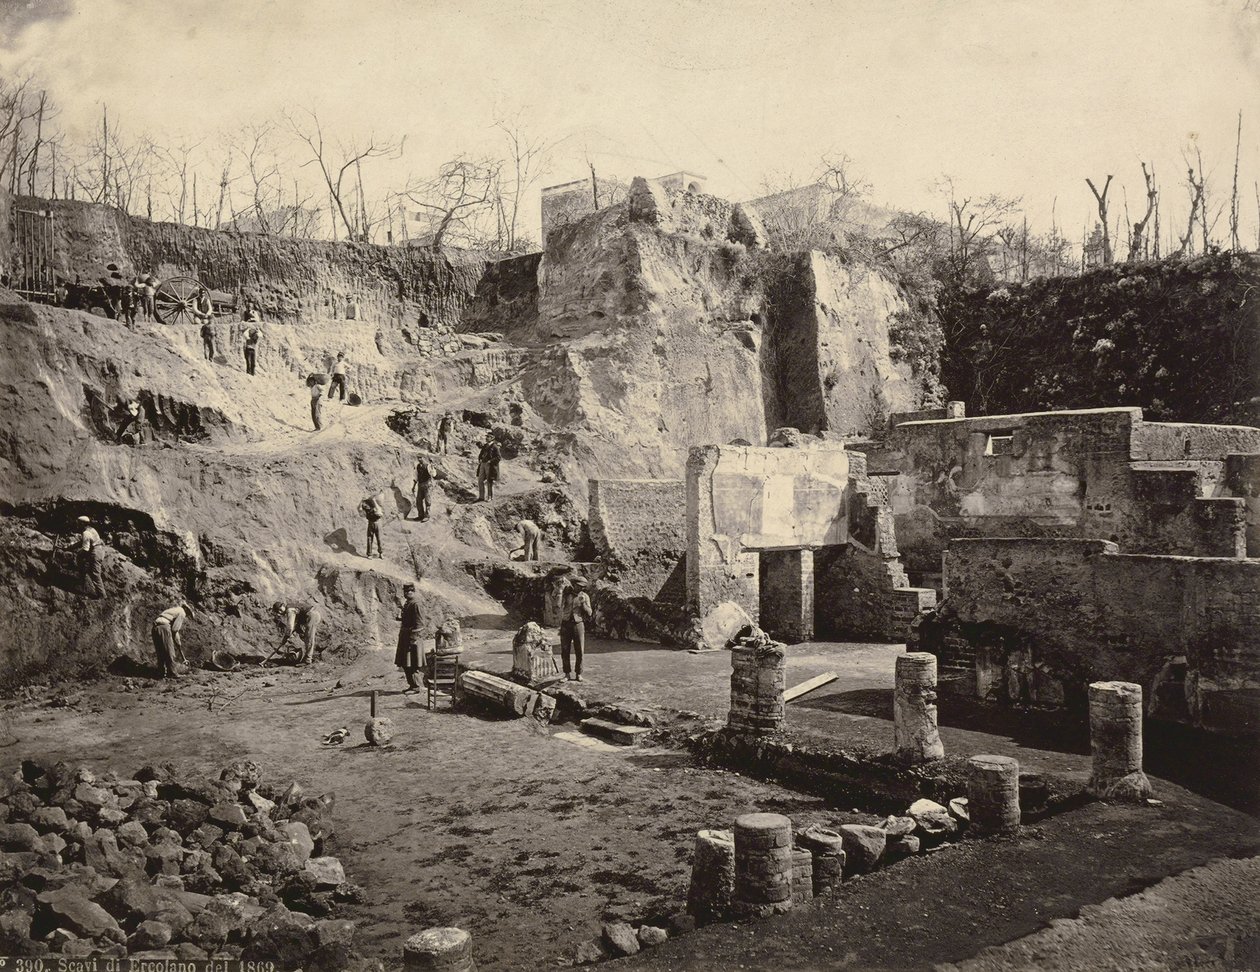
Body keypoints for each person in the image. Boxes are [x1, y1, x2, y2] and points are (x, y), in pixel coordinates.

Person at [267, 598, 323, 666]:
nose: (280, 612)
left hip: (312, 615)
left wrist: (286, 637)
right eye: (279, 611)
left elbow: (290, 626)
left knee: (309, 637)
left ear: (283, 606)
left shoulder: (289, 610)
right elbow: (295, 624)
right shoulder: (291, 608)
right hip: (309, 616)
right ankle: (308, 655)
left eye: (280, 610)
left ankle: (308, 660)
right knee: (303, 635)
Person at [559, 577, 592, 682]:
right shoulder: (566, 593)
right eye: (579, 586)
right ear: (574, 584)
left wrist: (583, 604)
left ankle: (578, 673)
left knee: (580, 650)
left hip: (578, 624)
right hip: (565, 624)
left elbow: (590, 613)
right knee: (565, 650)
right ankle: (567, 674)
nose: (581, 588)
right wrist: (563, 593)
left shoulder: (584, 596)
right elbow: (558, 604)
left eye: (583, 587)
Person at [395, 583, 423, 692]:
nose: (406, 594)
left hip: (411, 639)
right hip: (405, 637)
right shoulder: (408, 603)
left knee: (412, 663)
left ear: (413, 591)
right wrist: (401, 619)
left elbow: (420, 623)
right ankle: (412, 685)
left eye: (408, 592)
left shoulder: (415, 604)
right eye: (405, 592)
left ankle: (416, 686)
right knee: (406, 663)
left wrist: (413, 639)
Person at [151, 602, 192, 678]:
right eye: (188, 613)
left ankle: (161, 673)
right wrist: (178, 643)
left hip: (155, 628)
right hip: (164, 627)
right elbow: (175, 629)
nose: (187, 615)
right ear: (186, 609)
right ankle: (172, 673)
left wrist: (178, 642)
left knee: (161, 651)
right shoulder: (182, 612)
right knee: (170, 651)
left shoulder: (174, 610)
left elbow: (174, 630)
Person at [76, 516, 105, 598]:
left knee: (95, 573)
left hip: (95, 552)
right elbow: (82, 542)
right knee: (86, 568)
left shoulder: (86, 533)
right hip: (100, 550)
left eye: (78, 523)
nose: (77, 525)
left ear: (82, 523)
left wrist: (79, 555)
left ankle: (102, 595)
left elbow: (85, 549)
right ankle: (84, 589)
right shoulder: (91, 529)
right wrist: (68, 547)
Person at [360, 490, 386, 558]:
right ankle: (370, 554)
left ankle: (381, 553)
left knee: (379, 539)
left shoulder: (377, 507)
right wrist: (362, 501)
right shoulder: (366, 506)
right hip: (371, 523)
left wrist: (374, 501)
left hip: (377, 523)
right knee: (369, 538)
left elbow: (379, 513)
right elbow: (360, 509)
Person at [476, 435, 501, 502]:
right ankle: (481, 497)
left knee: (489, 481)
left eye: (488, 437)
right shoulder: (485, 446)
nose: (486, 438)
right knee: (480, 480)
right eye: (486, 437)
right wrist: (480, 459)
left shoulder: (495, 447)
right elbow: (481, 454)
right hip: (482, 464)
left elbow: (498, 457)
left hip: (490, 466)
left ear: (492, 438)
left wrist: (490, 461)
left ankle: (490, 497)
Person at [412, 455, 434, 522]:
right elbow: (416, 477)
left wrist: (432, 466)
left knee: (427, 500)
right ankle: (420, 515)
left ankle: (427, 516)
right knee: (418, 500)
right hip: (420, 485)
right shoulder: (417, 466)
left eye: (420, 457)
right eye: (418, 458)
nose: (419, 459)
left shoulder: (428, 466)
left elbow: (433, 474)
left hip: (427, 485)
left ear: (423, 458)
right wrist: (413, 486)